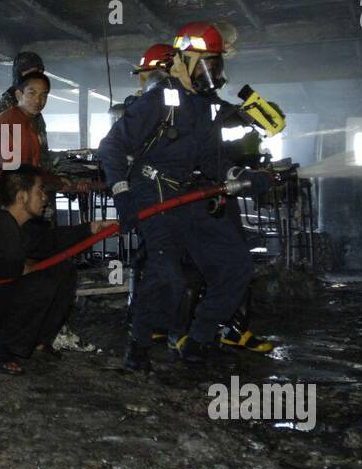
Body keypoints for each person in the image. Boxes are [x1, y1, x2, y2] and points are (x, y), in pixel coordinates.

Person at [98, 22, 271, 373]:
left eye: (216, 65)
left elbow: (211, 159)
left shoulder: (204, 106)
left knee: (237, 265)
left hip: (189, 198)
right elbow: (111, 147)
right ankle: (139, 346)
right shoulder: (160, 100)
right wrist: (122, 195)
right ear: (183, 62)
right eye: (206, 64)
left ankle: (198, 340)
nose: (213, 74)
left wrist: (239, 177)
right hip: (153, 196)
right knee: (169, 277)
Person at [0, 165, 114, 375]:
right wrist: (26, 267)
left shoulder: (21, 227)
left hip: (1, 302)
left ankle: (39, 340)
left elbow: (50, 241)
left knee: (63, 269)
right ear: (21, 197)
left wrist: (92, 228)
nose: (45, 197)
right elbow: (10, 269)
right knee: (41, 283)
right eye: (39, 191)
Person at [0, 73, 49, 207]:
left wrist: (56, 181)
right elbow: (14, 174)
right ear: (18, 95)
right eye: (32, 93)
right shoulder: (10, 122)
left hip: (23, 200)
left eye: (43, 95)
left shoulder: (28, 121)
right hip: (12, 204)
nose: (38, 100)